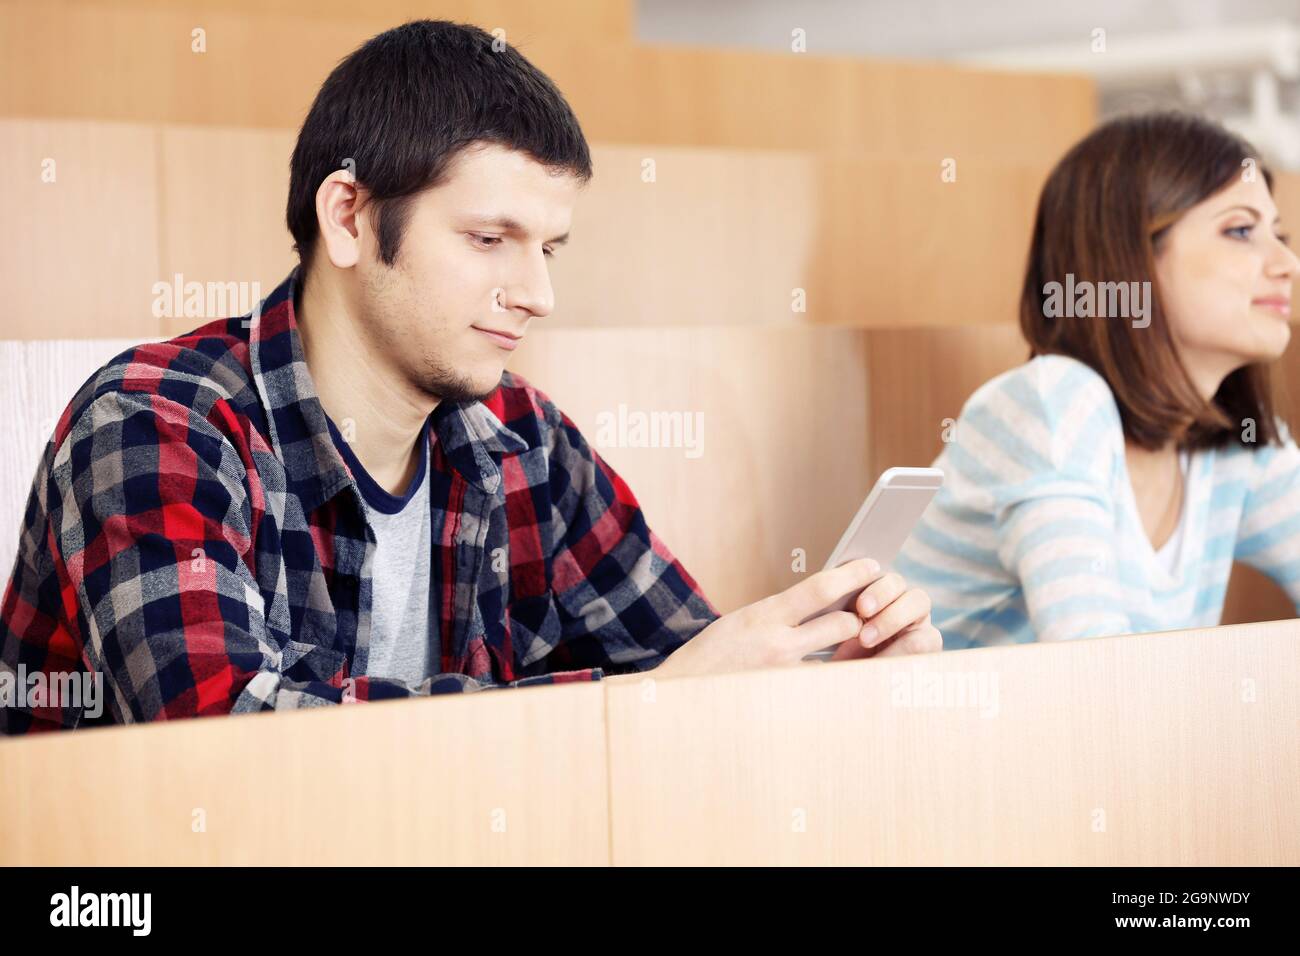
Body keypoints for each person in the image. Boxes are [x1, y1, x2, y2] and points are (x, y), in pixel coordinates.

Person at [0, 20, 939, 732]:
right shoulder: (151, 427)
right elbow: (222, 744)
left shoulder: (525, 441)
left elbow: (687, 666)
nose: (535, 293)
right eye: (490, 240)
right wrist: (646, 701)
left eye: (551, 249)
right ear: (351, 218)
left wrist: (818, 669)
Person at [895, 111, 1300, 648]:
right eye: (1241, 231)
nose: (1287, 263)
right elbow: (1099, 678)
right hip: (910, 730)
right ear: (1130, 261)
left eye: (1281, 235)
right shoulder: (1054, 404)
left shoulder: (1239, 445)